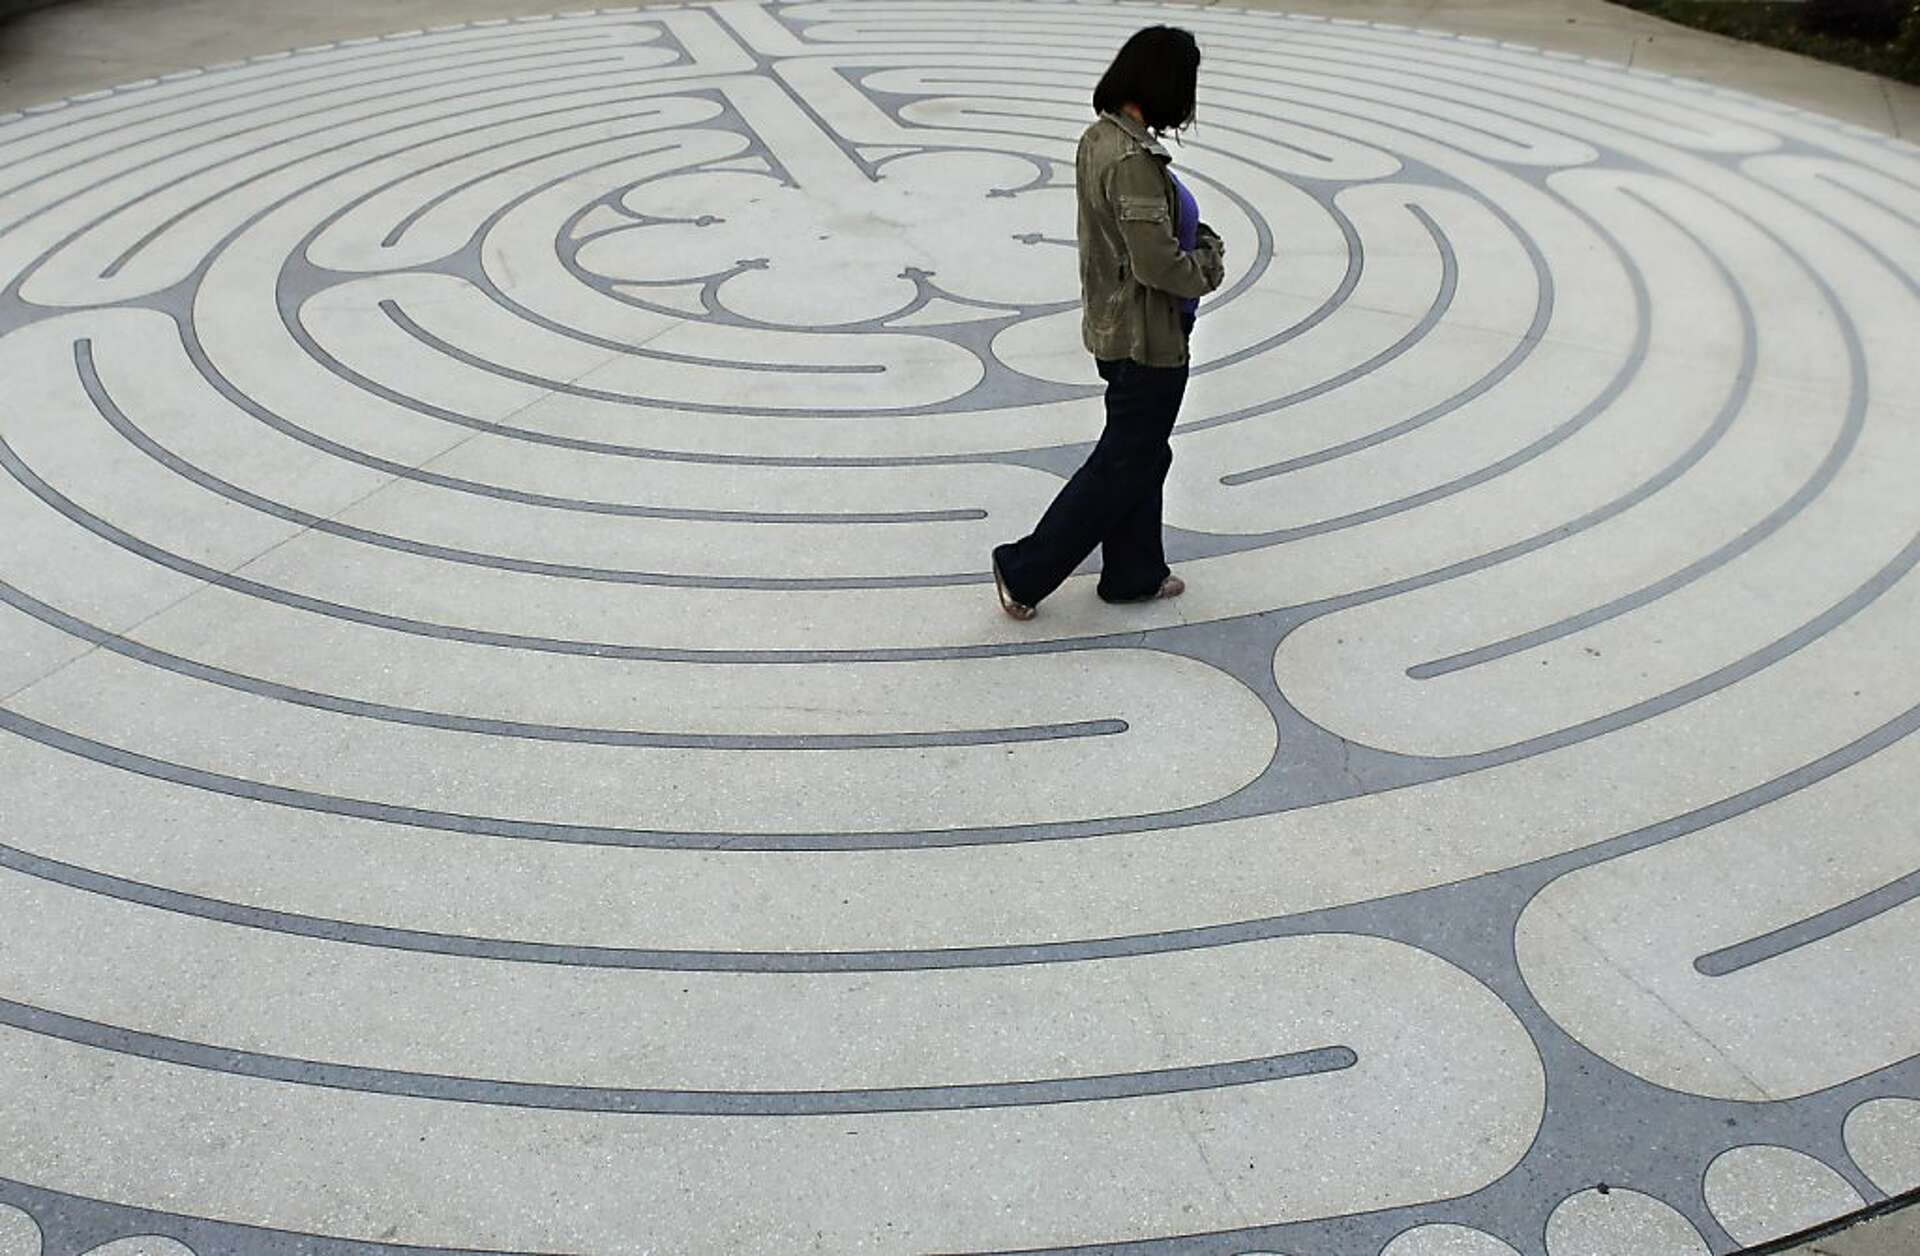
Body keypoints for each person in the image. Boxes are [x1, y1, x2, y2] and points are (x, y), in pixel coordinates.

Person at [992, 25, 1225, 621]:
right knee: (1124, 462)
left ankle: (1133, 573)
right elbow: (1156, 264)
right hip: (1148, 338)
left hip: (1116, 326)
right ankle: (1024, 570)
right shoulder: (1131, 159)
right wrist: (1208, 263)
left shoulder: (1100, 137)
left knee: (1142, 454)